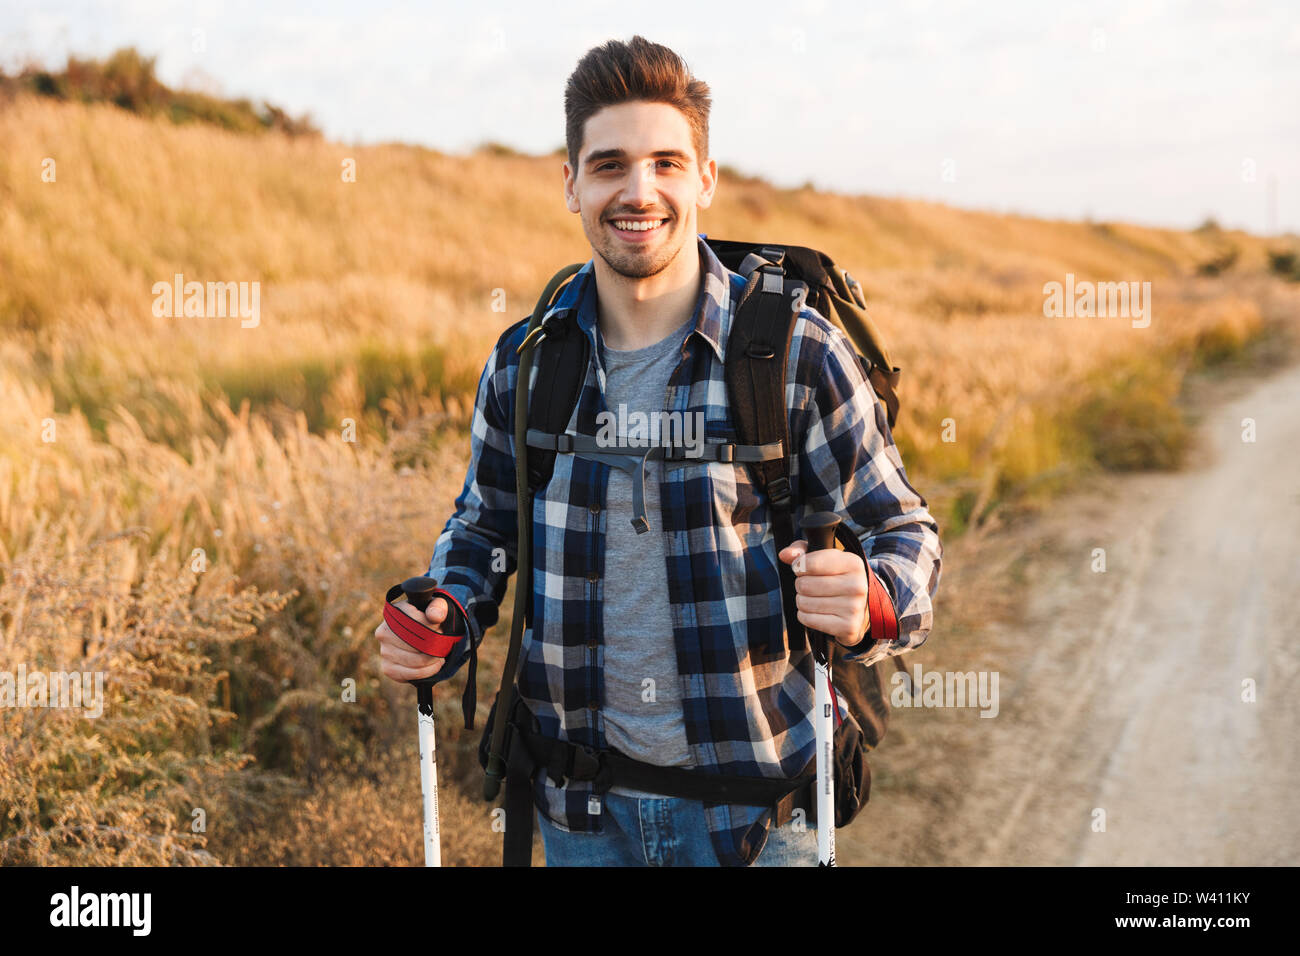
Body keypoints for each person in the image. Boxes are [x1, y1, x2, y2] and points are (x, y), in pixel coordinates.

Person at [375, 35, 942, 867]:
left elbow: (907, 535)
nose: (639, 192)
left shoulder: (793, 354)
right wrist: (446, 611)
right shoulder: (526, 362)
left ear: (705, 177)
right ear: (569, 184)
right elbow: (485, 529)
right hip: (579, 820)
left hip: (759, 822)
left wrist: (873, 599)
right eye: (609, 165)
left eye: (666, 163)